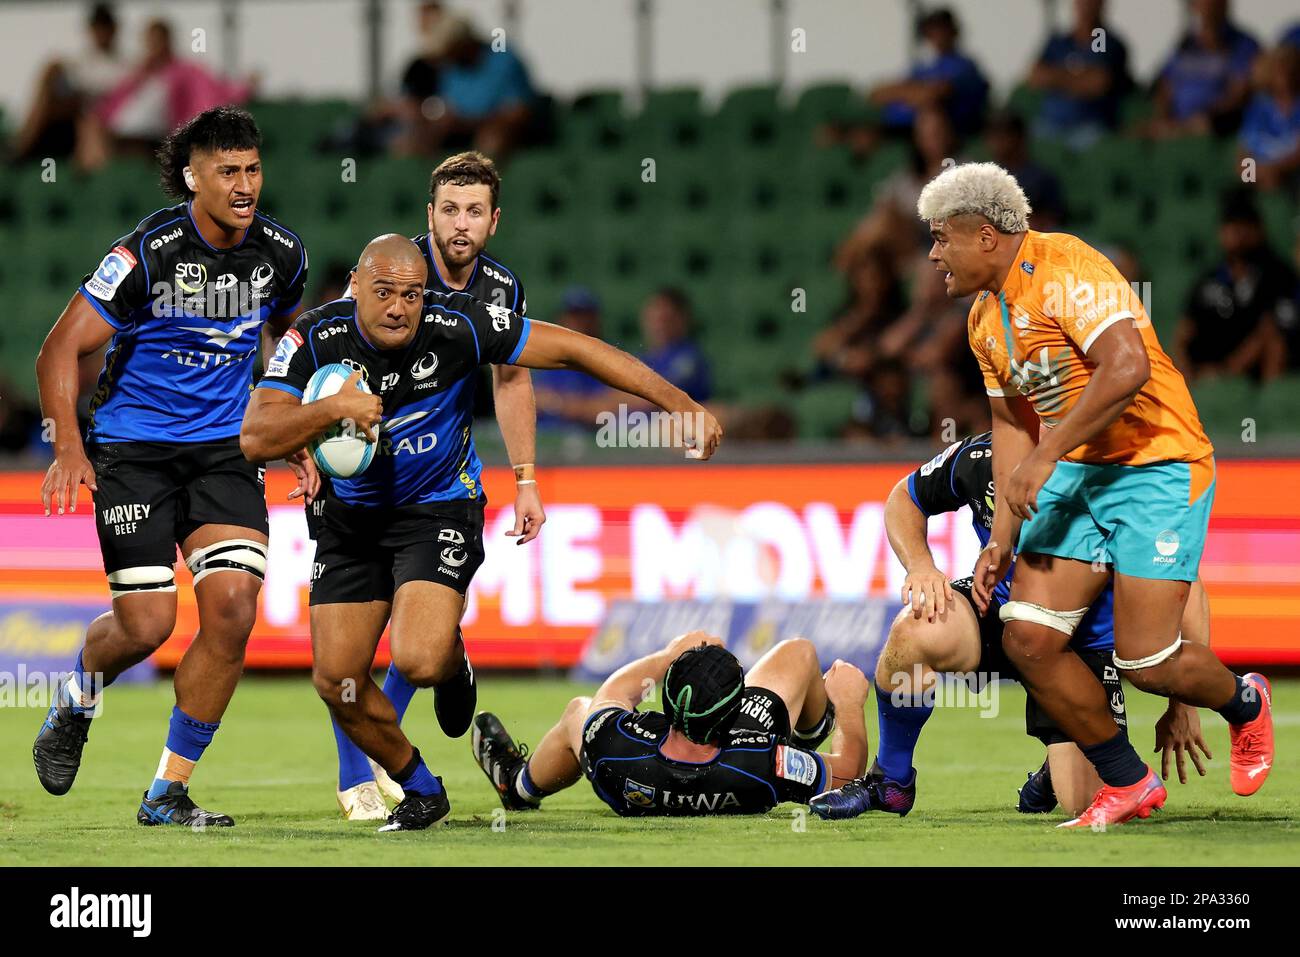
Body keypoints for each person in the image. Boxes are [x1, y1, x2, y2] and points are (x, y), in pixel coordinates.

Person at [241, 234, 720, 830]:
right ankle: (421, 788)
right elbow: (257, 436)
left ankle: (444, 656)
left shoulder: (459, 325)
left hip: (437, 507)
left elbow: (574, 351)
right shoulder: (314, 336)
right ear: (356, 288)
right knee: (336, 680)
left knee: (416, 660)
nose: (397, 308)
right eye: (384, 292)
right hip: (352, 519)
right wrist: (333, 411)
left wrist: (677, 402)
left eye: (411, 295)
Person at [915, 161, 1274, 829]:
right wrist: (1000, 540)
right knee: (1024, 637)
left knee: (1146, 661)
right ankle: (1128, 780)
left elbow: (1128, 366)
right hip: (1081, 471)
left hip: (1157, 462)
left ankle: (1245, 703)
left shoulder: (1067, 266)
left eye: (941, 237)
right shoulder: (982, 321)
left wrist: (1048, 454)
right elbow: (1012, 422)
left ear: (986, 235)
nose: (934, 252)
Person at [32, 106, 311, 827]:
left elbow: (284, 333)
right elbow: (59, 350)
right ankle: (77, 698)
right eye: (228, 171)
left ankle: (167, 791)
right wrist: (69, 446)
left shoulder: (281, 252)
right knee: (148, 623)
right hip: (135, 452)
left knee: (233, 608)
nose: (245, 184)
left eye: (252, 168)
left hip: (224, 451)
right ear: (194, 176)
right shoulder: (147, 253)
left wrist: (293, 430)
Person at [809, 433, 1212, 821]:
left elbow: (1184, 582)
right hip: (999, 611)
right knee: (916, 629)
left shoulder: (1110, 468)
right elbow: (905, 496)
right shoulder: (978, 457)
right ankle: (891, 782)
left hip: (1075, 644)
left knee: (1083, 801)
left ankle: (1059, 764)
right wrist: (921, 565)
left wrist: (1183, 702)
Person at [325, 150, 546, 821]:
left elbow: (511, 380)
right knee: (349, 651)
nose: (460, 222)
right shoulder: (392, 273)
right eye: (449, 209)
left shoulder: (501, 289)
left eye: (474, 210)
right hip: (364, 486)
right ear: (430, 214)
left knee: (413, 645)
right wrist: (311, 451)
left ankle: (436, 673)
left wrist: (527, 480)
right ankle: (355, 773)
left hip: (441, 490)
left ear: (493, 220)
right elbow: (324, 361)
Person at [471, 632, 869, 817]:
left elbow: (614, 692)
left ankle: (521, 787)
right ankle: (812, 730)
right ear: (737, 711)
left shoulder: (613, 745)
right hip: (739, 772)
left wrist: (668, 654)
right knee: (799, 653)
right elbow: (849, 771)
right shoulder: (767, 761)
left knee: (580, 707)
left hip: (635, 777)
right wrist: (850, 704)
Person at [78, 19, 256, 170]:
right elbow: (111, 103)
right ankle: (92, 179)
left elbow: (215, 90)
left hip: (156, 137)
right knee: (90, 126)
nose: (154, 46)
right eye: (151, 41)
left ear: (168, 41)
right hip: (121, 133)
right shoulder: (138, 74)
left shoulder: (185, 70)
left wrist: (245, 86)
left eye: (158, 40)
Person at [1174, 190, 1297, 383]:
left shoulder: (1277, 276)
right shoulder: (1210, 278)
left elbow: (1269, 334)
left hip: (1248, 378)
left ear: (1257, 229)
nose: (1236, 232)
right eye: (1230, 225)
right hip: (1202, 373)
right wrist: (1186, 371)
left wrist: (1226, 371)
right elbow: (1184, 332)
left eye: (1243, 225)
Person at [396, 14, 536, 160]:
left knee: (491, 140)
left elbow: (518, 113)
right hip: (456, 131)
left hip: (495, 131)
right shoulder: (449, 68)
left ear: (463, 45)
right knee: (411, 140)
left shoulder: (503, 60)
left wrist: (468, 122)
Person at [11, 3, 128, 163]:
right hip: (75, 111)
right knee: (51, 72)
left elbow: (114, 94)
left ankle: (21, 146)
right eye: (97, 28)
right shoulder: (84, 59)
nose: (100, 34)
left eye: (104, 28)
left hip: (96, 115)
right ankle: (23, 143)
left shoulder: (123, 63)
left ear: (113, 30)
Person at [1143, 0, 1259, 139]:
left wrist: (1201, 119)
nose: (1207, 6)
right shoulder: (1185, 45)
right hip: (1176, 124)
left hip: (1214, 123)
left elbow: (1239, 93)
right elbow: (1164, 86)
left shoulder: (1243, 44)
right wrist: (1164, 118)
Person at [1025, 0, 1131, 148]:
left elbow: (1097, 83)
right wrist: (1077, 76)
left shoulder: (1101, 40)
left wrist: (1055, 77)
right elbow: (1035, 77)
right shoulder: (1060, 41)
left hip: (1088, 128)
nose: (1086, 5)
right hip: (1050, 124)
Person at [870, 8, 988, 138]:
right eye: (933, 31)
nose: (937, 36)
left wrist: (906, 94)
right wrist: (914, 93)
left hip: (951, 135)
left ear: (953, 32)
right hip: (903, 132)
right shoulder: (924, 67)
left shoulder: (964, 66)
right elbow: (877, 94)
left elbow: (933, 96)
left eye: (942, 30)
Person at [1238, 45, 1300, 191]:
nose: (1285, 75)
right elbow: (1244, 154)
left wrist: (1275, 170)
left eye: (1290, 69)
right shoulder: (1259, 107)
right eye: (1280, 69)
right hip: (1259, 177)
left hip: (1291, 175)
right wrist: (1255, 176)